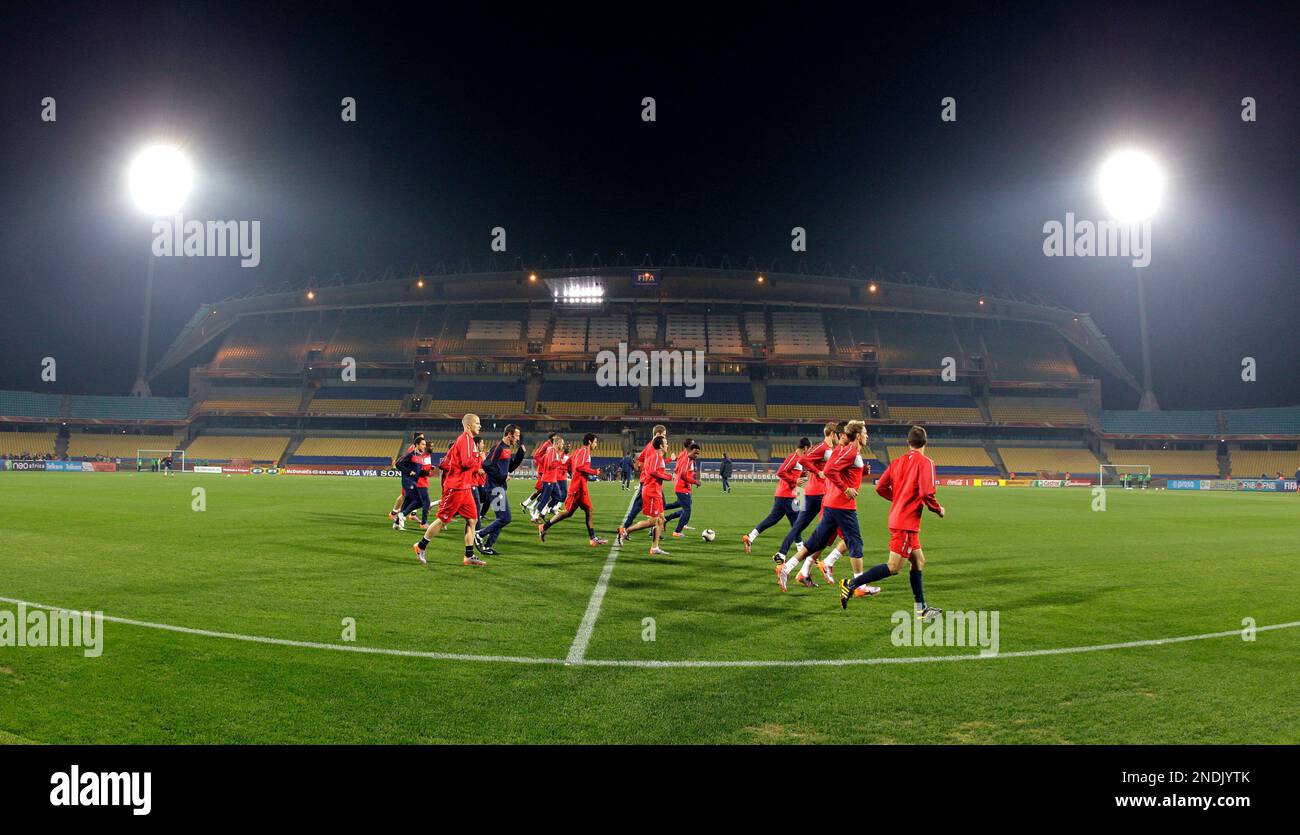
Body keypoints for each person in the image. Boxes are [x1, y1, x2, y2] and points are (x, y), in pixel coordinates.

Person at [840, 425, 944, 621]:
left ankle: (921, 609)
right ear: (926, 443)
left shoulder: (897, 462)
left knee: (918, 561)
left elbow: (880, 487)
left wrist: (898, 498)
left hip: (900, 518)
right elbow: (926, 493)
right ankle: (852, 584)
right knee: (894, 567)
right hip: (906, 522)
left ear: (908, 443)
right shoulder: (926, 462)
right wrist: (938, 509)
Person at [412, 414, 486, 567]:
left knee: (472, 520)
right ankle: (420, 546)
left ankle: (469, 555)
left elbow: (452, 462)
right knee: (442, 520)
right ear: (469, 425)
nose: (480, 426)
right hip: (456, 487)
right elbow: (466, 463)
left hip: (465, 487)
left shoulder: (469, 440)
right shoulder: (465, 439)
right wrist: (478, 459)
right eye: (477, 423)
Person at [539, 433, 608, 546]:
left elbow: (566, 465)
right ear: (590, 442)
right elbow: (579, 467)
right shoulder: (585, 451)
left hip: (580, 487)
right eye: (595, 442)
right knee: (568, 512)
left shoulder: (577, 451)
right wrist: (595, 472)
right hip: (577, 488)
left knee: (588, 510)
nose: (596, 444)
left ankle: (593, 538)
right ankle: (544, 527)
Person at [741, 439, 807, 554]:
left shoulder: (801, 461)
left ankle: (750, 537)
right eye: (809, 449)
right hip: (787, 496)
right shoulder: (794, 457)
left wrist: (801, 498)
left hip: (786, 495)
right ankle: (801, 549)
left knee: (773, 519)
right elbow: (781, 472)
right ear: (806, 448)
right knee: (797, 522)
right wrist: (795, 480)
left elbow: (800, 482)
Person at [474, 425, 525, 556]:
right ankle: (480, 534)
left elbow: (510, 467)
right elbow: (486, 465)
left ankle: (487, 546)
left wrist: (520, 454)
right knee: (505, 518)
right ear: (509, 434)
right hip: (494, 487)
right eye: (516, 435)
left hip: (499, 487)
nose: (518, 438)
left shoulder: (507, 449)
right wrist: (502, 476)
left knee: (500, 519)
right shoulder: (499, 447)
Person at [619, 435, 672, 555]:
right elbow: (652, 472)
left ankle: (655, 547)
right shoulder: (655, 457)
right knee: (653, 521)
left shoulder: (658, 457)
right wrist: (667, 476)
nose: (667, 445)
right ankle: (626, 531)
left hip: (656, 491)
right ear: (660, 446)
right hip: (651, 492)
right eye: (666, 443)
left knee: (661, 520)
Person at [664, 442, 702, 536]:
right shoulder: (686, 459)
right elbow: (683, 475)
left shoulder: (689, 459)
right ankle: (677, 531)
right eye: (695, 453)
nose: (696, 455)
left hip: (684, 487)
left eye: (698, 453)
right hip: (682, 488)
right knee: (687, 510)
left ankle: (665, 518)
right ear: (689, 450)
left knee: (684, 507)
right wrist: (695, 481)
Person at [390, 432, 425, 523]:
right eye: (422, 439)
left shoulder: (418, 451)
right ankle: (400, 515)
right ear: (417, 441)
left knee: (407, 496)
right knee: (408, 496)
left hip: (413, 477)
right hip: (409, 478)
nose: (424, 442)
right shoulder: (412, 450)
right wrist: (409, 472)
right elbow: (405, 462)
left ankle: (399, 516)